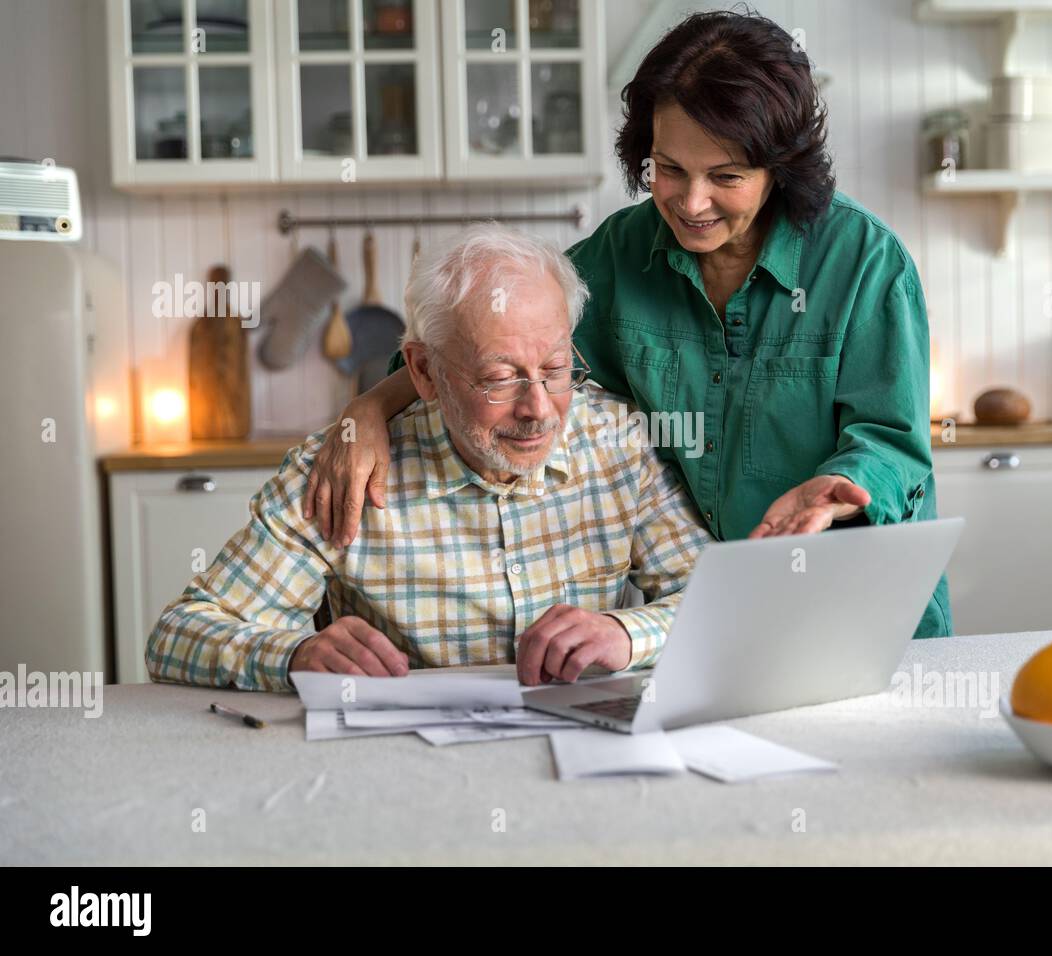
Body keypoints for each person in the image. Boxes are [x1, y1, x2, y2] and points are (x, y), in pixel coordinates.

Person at [305, 10, 952, 639]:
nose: (691, 203)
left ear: (779, 170)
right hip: (706, 619)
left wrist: (838, 489)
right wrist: (366, 411)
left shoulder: (866, 263)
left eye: (725, 177)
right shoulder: (619, 257)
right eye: (669, 169)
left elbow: (892, 442)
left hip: (856, 613)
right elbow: (464, 358)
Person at [147, 225, 713, 691]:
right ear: (422, 371)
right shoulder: (342, 470)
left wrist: (625, 633)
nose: (538, 409)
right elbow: (178, 636)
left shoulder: (621, 445)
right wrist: (293, 654)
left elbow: (715, 604)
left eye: (558, 370)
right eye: (499, 378)